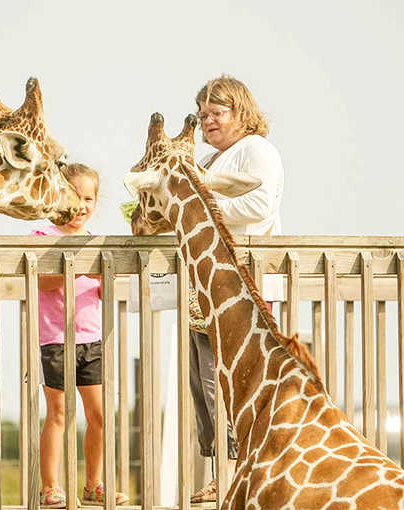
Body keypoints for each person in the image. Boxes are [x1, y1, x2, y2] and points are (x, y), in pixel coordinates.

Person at [188, 75, 284, 504]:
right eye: (203, 115)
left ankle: (239, 472)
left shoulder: (256, 150)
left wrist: (200, 206)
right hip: (209, 287)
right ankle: (223, 471)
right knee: (206, 384)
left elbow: (259, 205)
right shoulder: (211, 159)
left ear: (240, 113)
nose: (208, 121)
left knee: (234, 382)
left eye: (217, 113)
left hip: (241, 285)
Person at [32, 163, 129, 508]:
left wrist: (107, 276)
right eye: (76, 196)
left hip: (91, 339)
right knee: (58, 413)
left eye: (90, 198)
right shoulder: (43, 238)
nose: (83, 205)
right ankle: (51, 486)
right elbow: (42, 282)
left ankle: (93, 484)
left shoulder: (95, 242)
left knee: (100, 414)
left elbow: (105, 290)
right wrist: (74, 266)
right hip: (54, 339)